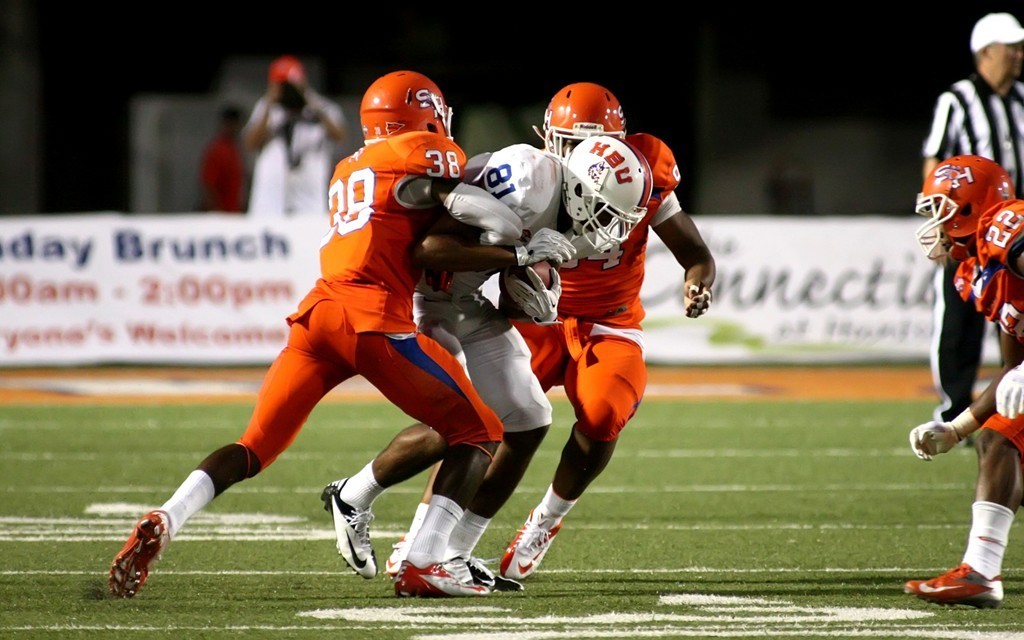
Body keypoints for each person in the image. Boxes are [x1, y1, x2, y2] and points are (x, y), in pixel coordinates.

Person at [107, 69, 574, 600]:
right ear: (421, 112)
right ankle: (424, 563)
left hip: (317, 313)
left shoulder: (346, 166)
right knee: (483, 430)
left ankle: (169, 515)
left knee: (253, 447)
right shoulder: (428, 148)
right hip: (372, 317)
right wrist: (517, 246)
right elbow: (460, 205)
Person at [385, 82, 716, 582]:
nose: (574, 155)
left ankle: (545, 521)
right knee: (479, 419)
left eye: (589, 144)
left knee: (604, 415)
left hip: (610, 322)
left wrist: (697, 284)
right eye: (567, 141)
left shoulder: (641, 174)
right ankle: (422, 539)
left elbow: (696, 255)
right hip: (534, 316)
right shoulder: (531, 178)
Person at [905, 154, 1021, 609]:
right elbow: (1015, 371)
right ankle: (980, 573)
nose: (934, 221)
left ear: (972, 206)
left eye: (943, 207)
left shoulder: (1010, 227)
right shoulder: (977, 271)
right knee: (998, 440)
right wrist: (958, 428)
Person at [921, 12, 1024, 426]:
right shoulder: (958, 99)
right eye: (1010, 47)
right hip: (971, 228)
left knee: (1012, 319)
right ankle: (956, 407)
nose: (1018, 54)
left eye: (1019, 47)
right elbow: (935, 163)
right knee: (962, 324)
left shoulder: (1021, 99)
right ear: (985, 52)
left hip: (1014, 231)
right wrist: (943, 224)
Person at [243, 55, 346, 218]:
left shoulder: (321, 106)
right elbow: (250, 143)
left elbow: (339, 135)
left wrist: (309, 102)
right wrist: (270, 102)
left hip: (309, 200)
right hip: (270, 202)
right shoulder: (267, 108)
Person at [199, 105, 246, 213]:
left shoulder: (234, 149)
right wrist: (214, 213)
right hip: (222, 215)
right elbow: (208, 184)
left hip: (234, 213)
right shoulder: (217, 150)